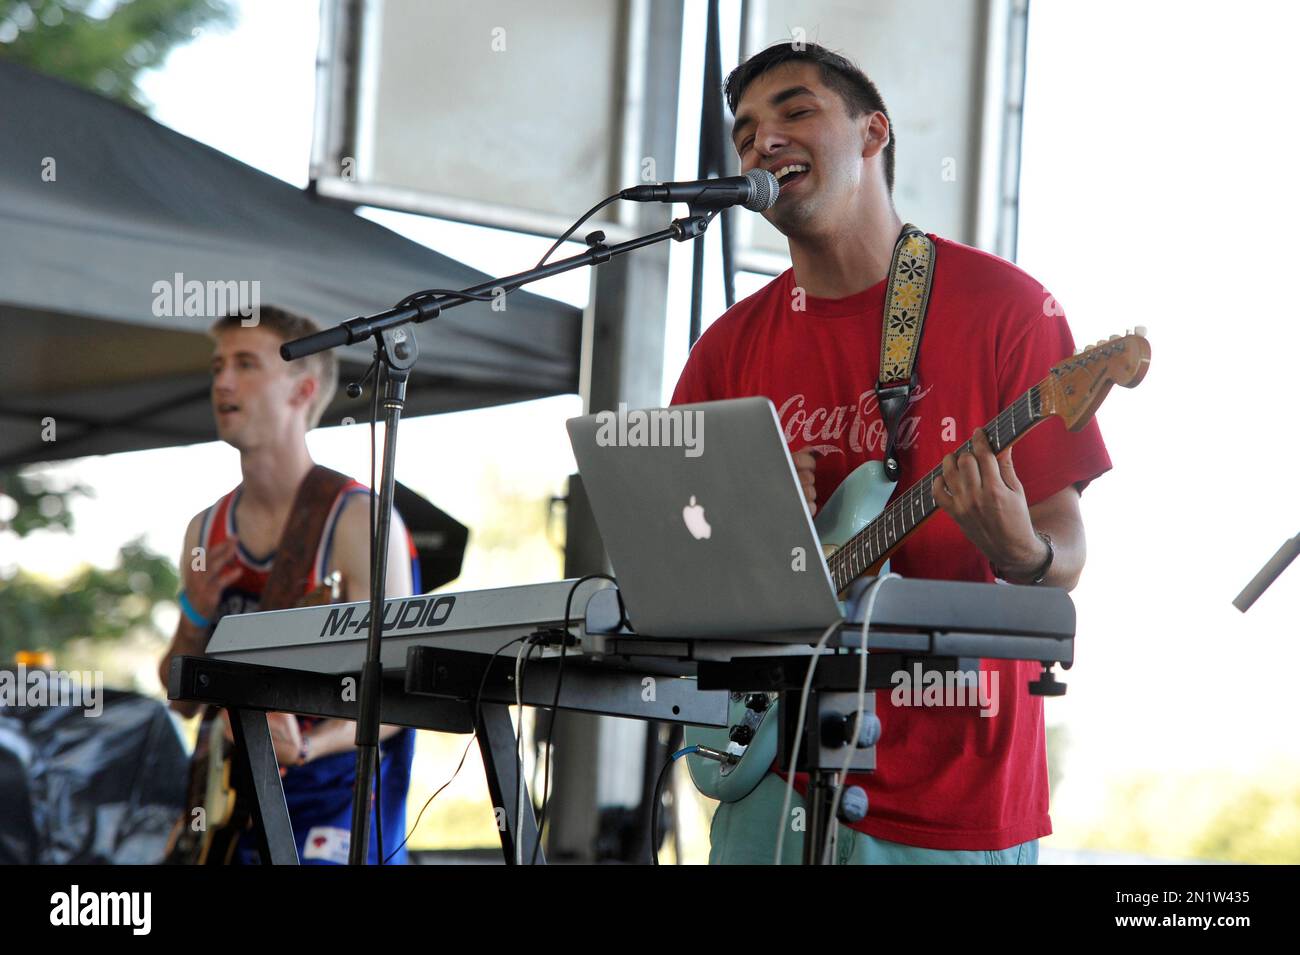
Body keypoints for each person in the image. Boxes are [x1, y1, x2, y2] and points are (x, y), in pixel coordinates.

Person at [671, 43, 1112, 864]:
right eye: (743, 133)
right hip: (774, 778)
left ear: (874, 133)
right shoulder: (726, 348)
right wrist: (754, 528)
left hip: (957, 795)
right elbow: (677, 568)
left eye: (795, 112)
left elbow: (1069, 550)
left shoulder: (1008, 308)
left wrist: (1021, 549)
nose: (761, 141)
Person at [158, 306, 417, 865]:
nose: (223, 381)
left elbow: (402, 697)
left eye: (246, 364)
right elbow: (179, 699)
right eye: (219, 365)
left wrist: (309, 747)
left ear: (302, 389)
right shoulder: (204, 529)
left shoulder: (358, 522)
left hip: (333, 806)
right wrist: (196, 613)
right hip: (228, 810)